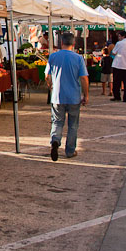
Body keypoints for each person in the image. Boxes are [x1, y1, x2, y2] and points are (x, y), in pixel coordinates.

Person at [45, 32, 89, 160]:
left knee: (57, 122)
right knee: (73, 125)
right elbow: (84, 78)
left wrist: (50, 85)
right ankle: (70, 150)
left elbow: (47, 75)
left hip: (57, 96)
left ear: (61, 43)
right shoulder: (78, 58)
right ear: (73, 43)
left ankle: (55, 140)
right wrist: (86, 95)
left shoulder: (53, 57)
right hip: (73, 96)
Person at [111, 31, 126, 102]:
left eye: (119, 36)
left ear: (123, 36)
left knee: (116, 82)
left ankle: (117, 96)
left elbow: (114, 52)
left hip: (118, 65)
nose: (118, 38)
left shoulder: (119, 43)